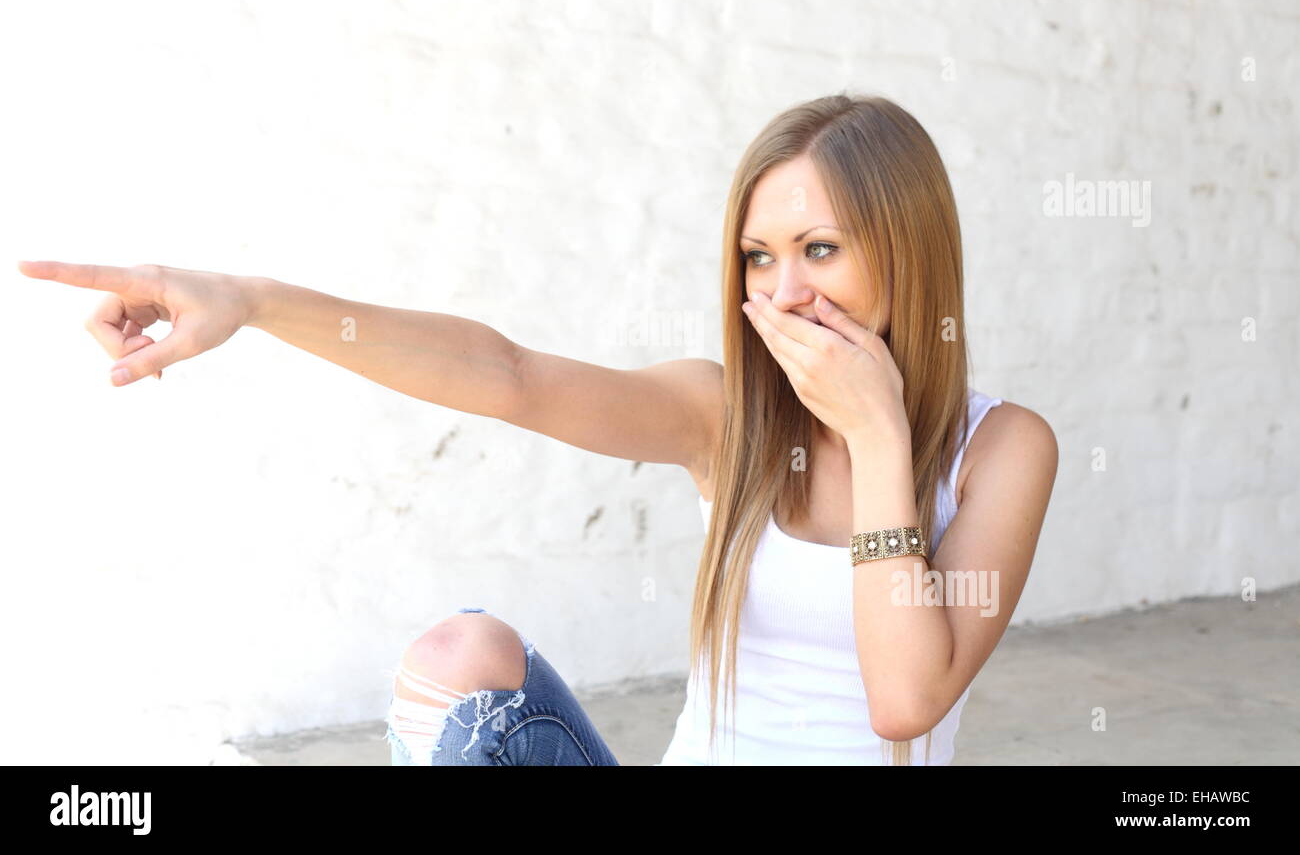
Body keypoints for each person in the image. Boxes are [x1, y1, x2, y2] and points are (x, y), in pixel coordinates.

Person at [17, 91, 1058, 766]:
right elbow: (507, 374)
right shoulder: (728, 416)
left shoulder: (1000, 449)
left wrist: (876, 438)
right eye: (756, 256)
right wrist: (251, 299)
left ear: (906, 248)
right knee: (460, 653)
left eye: (819, 248)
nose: (781, 292)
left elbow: (905, 699)